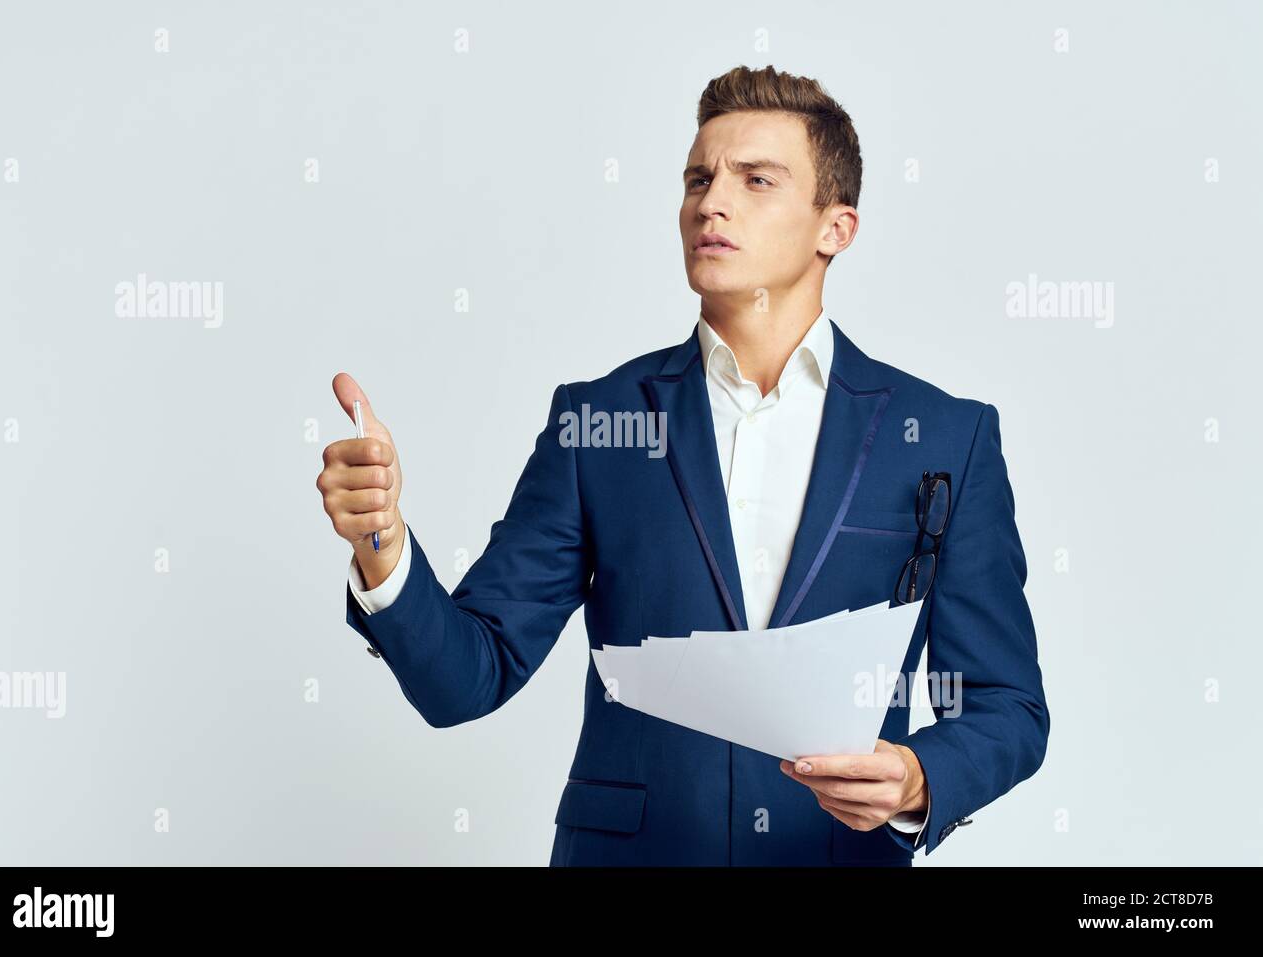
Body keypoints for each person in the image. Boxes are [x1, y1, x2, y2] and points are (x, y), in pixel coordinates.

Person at [315, 64, 1049, 866]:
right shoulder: (598, 422)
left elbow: (1007, 704)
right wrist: (380, 544)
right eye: (698, 178)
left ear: (835, 227)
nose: (712, 201)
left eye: (755, 179)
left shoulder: (947, 437)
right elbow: (467, 676)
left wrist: (917, 776)